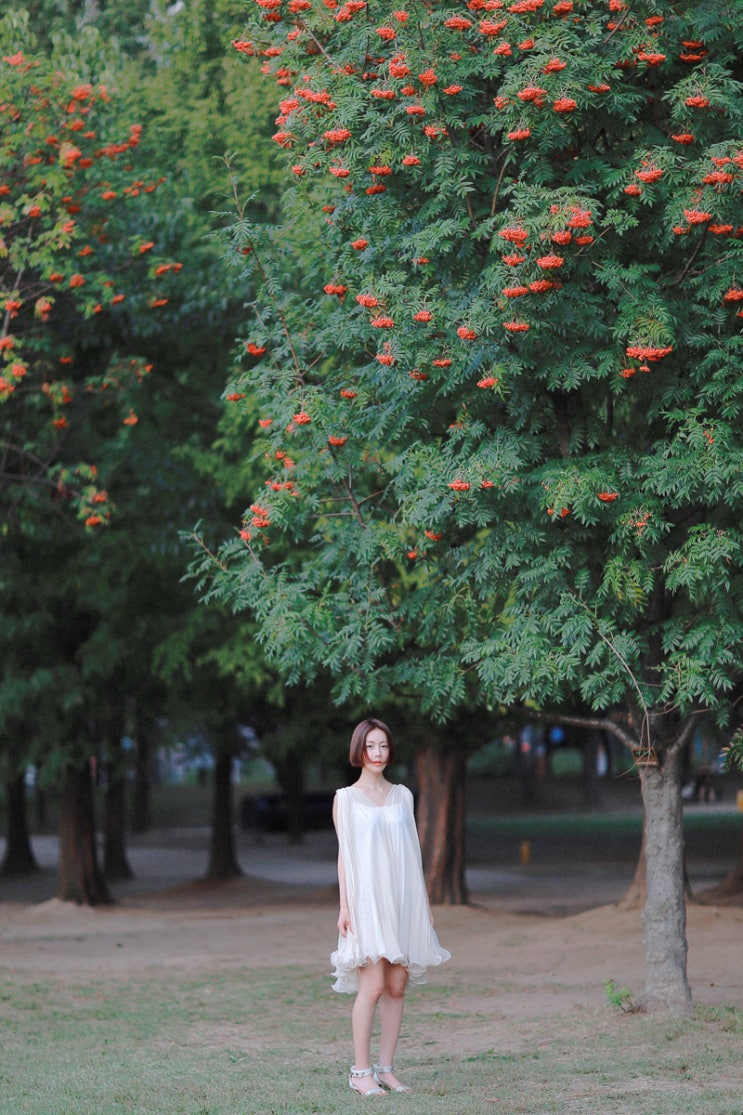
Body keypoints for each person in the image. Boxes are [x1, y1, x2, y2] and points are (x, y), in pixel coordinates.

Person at [331, 717, 451, 1097]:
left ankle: (386, 1069)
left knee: (397, 986)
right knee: (372, 986)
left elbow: (413, 855)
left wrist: (424, 905)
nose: (378, 753)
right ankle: (360, 1072)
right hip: (367, 901)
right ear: (359, 751)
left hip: (404, 899)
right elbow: (344, 856)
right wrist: (344, 906)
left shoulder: (403, 795)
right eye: (370, 746)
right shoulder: (345, 799)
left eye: (383, 746)